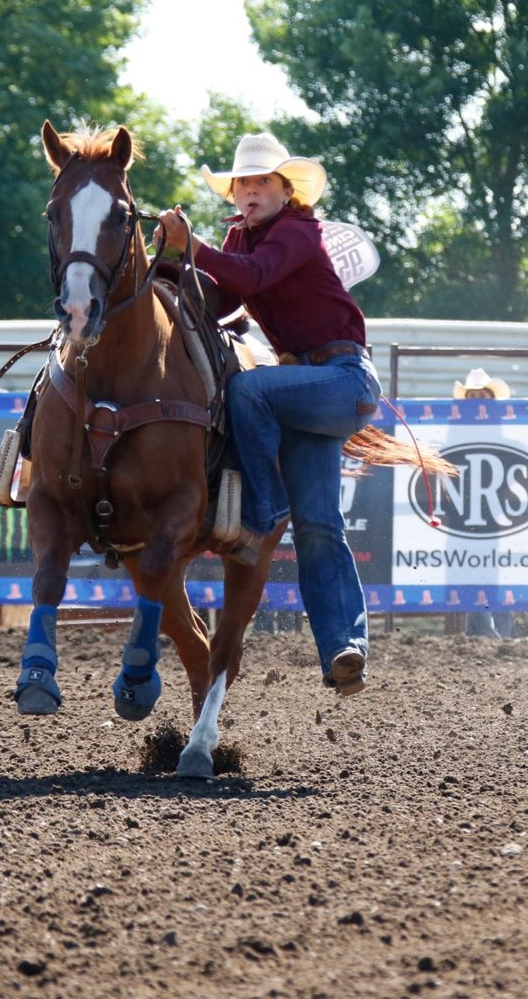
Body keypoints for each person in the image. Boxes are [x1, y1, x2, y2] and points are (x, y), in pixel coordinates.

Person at [155, 132, 381, 697]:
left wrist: (195, 246)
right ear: (235, 193)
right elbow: (221, 300)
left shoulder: (299, 232)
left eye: (263, 182)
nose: (252, 191)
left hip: (342, 378)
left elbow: (251, 280)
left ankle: (259, 512)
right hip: (309, 390)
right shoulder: (242, 240)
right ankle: (344, 651)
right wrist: (167, 267)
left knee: (249, 391)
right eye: (244, 183)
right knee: (320, 526)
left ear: (286, 192)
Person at [451, 368, 515, 637]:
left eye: (482, 396)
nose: (478, 401)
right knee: (473, 568)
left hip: (495, 512)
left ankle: (489, 631)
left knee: (493, 570)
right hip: (468, 512)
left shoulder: (500, 431)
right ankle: (489, 631)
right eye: (473, 396)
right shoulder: (456, 431)